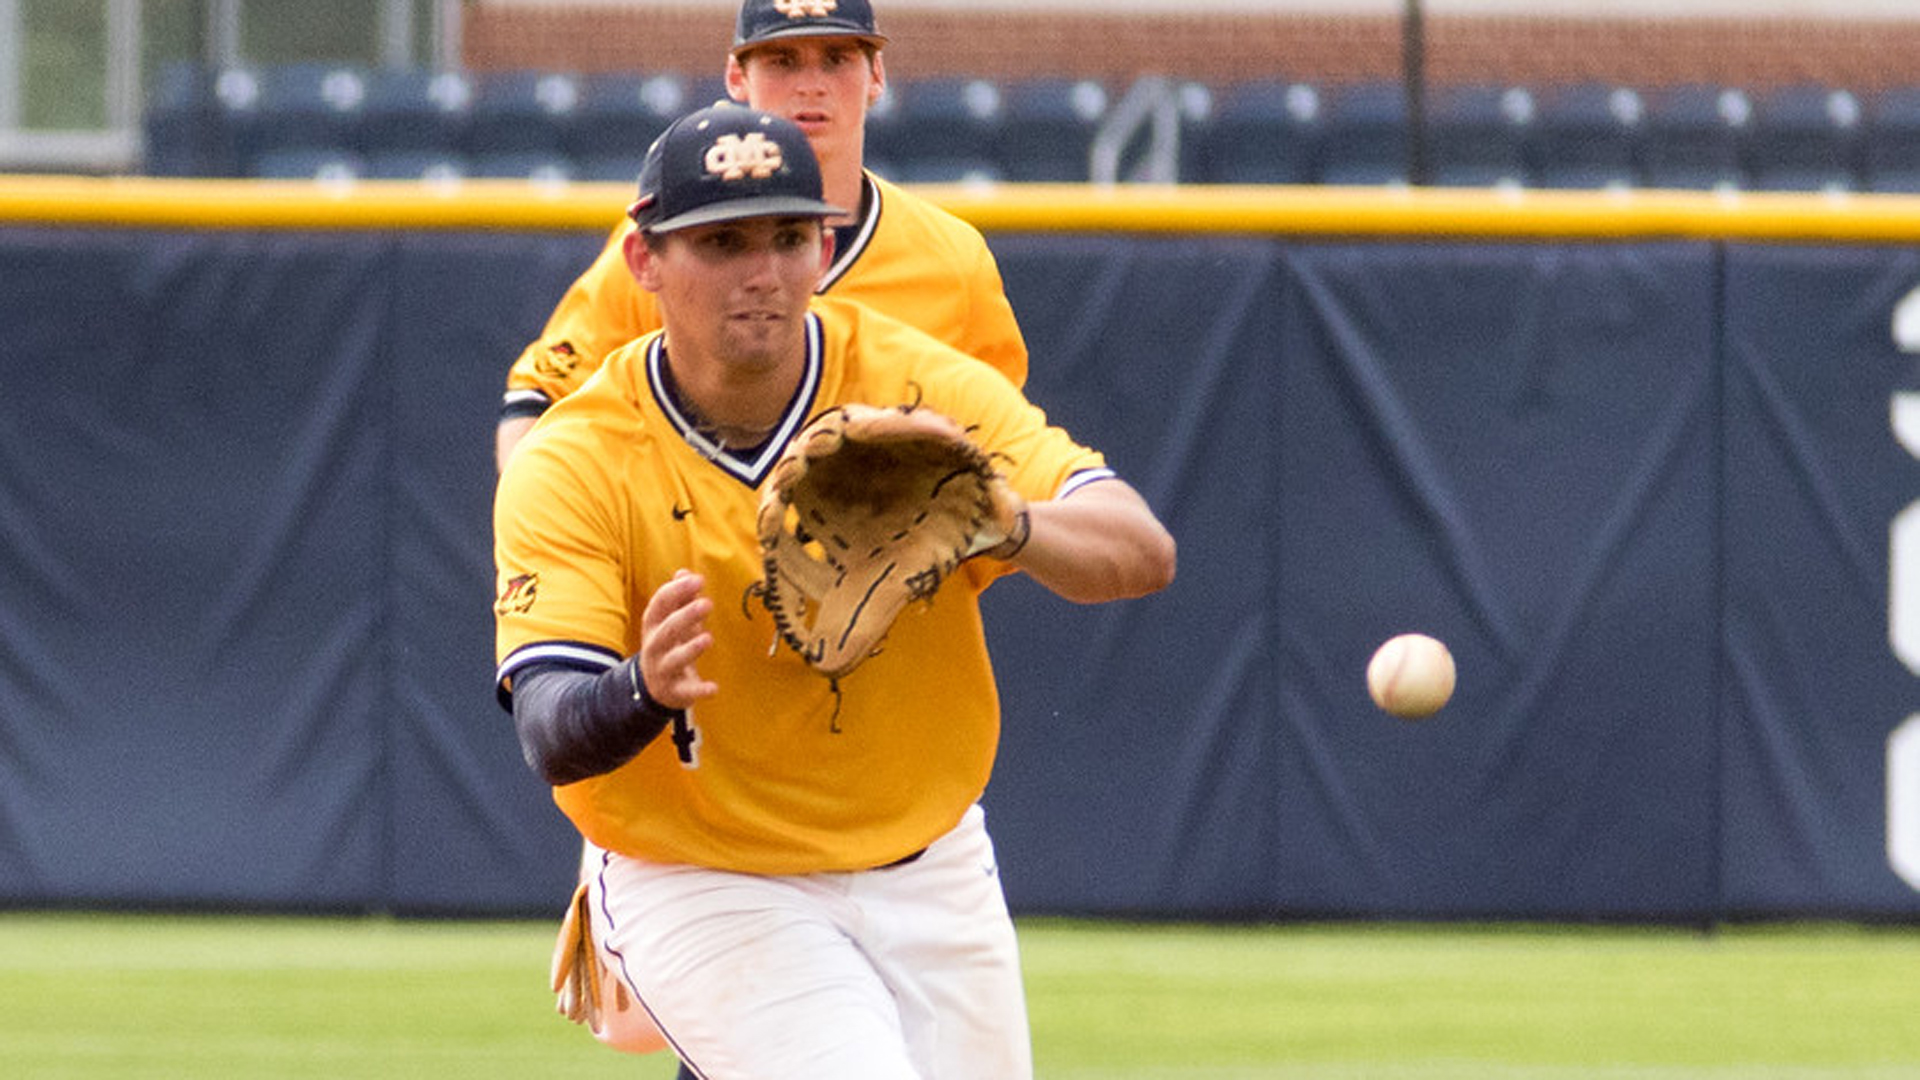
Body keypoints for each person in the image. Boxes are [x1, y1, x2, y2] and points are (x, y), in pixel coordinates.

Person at [493, 103, 1175, 1079]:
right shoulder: (577, 458)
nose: (761, 271)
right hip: (701, 872)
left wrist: (1007, 525)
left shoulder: (909, 390)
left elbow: (1141, 548)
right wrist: (638, 687)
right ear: (644, 263)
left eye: (788, 236)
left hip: (930, 862)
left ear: (824, 246)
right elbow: (549, 725)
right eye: (720, 243)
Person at [496, 0, 1028, 470]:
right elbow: (539, 401)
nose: (811, 83)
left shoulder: (953, 260)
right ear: (736, 76)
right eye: (783, 60)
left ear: (876, 76)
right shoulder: (675, 238)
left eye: (837, 58)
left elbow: (1008, 452)